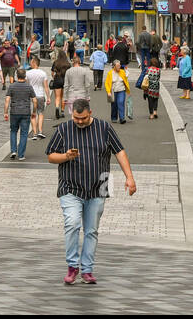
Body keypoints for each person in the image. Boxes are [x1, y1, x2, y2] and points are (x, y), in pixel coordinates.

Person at [45, 99, 137, 284]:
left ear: (90, 113)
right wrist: (65, 156)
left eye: (83, 118)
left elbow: (119, 151)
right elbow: (50, 156)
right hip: (70, 187)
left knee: (91, 230)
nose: (79, 121)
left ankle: (87, 269)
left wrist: (130, 177)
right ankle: (72, 266)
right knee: (72, 224)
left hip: (99, 186)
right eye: (76, 118)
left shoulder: (104, 128)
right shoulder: (63, 129)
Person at [5, 68, 36, 161]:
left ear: (16, 76)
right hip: (25, 112)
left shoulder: (12, 86)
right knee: (24, 133)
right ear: (25, 76)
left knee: (13, 131)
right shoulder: (29, 87)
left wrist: (5, 112)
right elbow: (34, 100)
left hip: (14, 112)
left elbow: (7, 100)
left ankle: (13, 150)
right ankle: (21, 155)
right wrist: (34, 112)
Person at [26, 57, 50, 140]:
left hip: (32, 96)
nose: (30, 64)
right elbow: (46, 87)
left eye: (31, 62)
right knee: (40, 113)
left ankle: (34, 133)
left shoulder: (28, 73)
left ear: (34, 63)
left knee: (33, 114)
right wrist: (49, 97)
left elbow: (27, 85)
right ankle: (40, 131)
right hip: (40, 95)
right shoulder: (43, 73)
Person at [104, 58, 131, 123]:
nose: (119, 67)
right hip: (113, 91)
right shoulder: (110, 73)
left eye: (119, 65)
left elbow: (127, 75)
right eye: (117, 66)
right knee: (114, 105)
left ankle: (122, 118)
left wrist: (125, 69)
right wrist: (108, 92)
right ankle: (114, 117)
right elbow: (107, 83)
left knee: (121, 102)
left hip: (121, 90)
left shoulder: (122, 72)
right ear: (114, 66)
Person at [50, 47, 71, 119]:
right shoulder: (67, 63)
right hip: (65, 80)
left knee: (57, 96)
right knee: (63, 97)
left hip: (57, 79)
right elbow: (69, 73)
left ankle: (56, 108)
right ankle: (62, 111)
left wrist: (54, 77)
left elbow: (52, 73)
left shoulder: (55, 62)